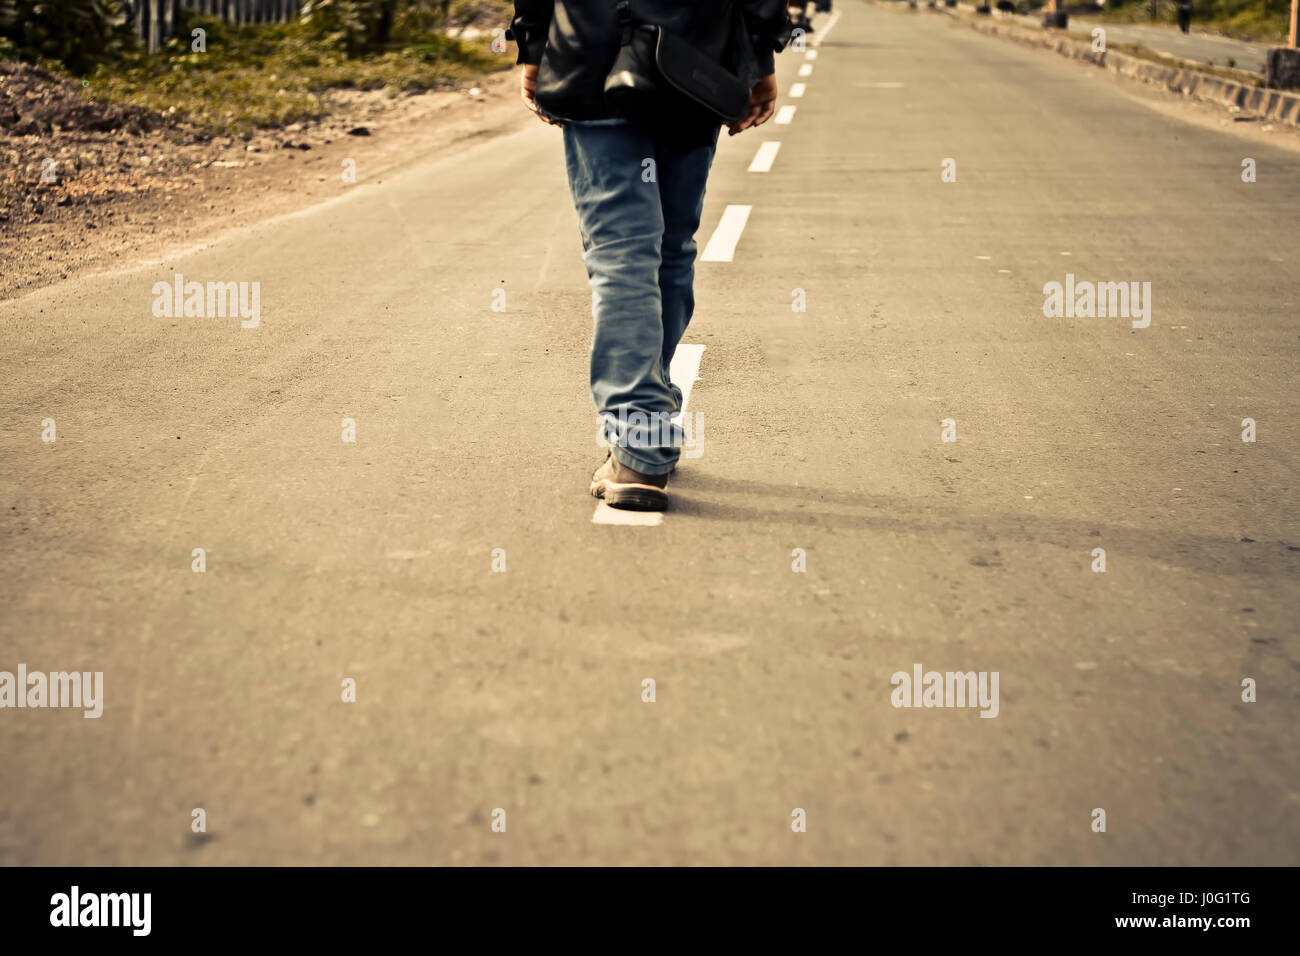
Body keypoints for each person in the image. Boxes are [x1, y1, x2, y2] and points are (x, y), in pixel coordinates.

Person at [508, 1, 792, 511]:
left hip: (591, 51)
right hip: (694, 58)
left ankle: (640, 443)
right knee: (670, 248)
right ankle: (648, 429)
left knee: (623, 251)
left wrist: (533, 45)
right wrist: (759, 55)